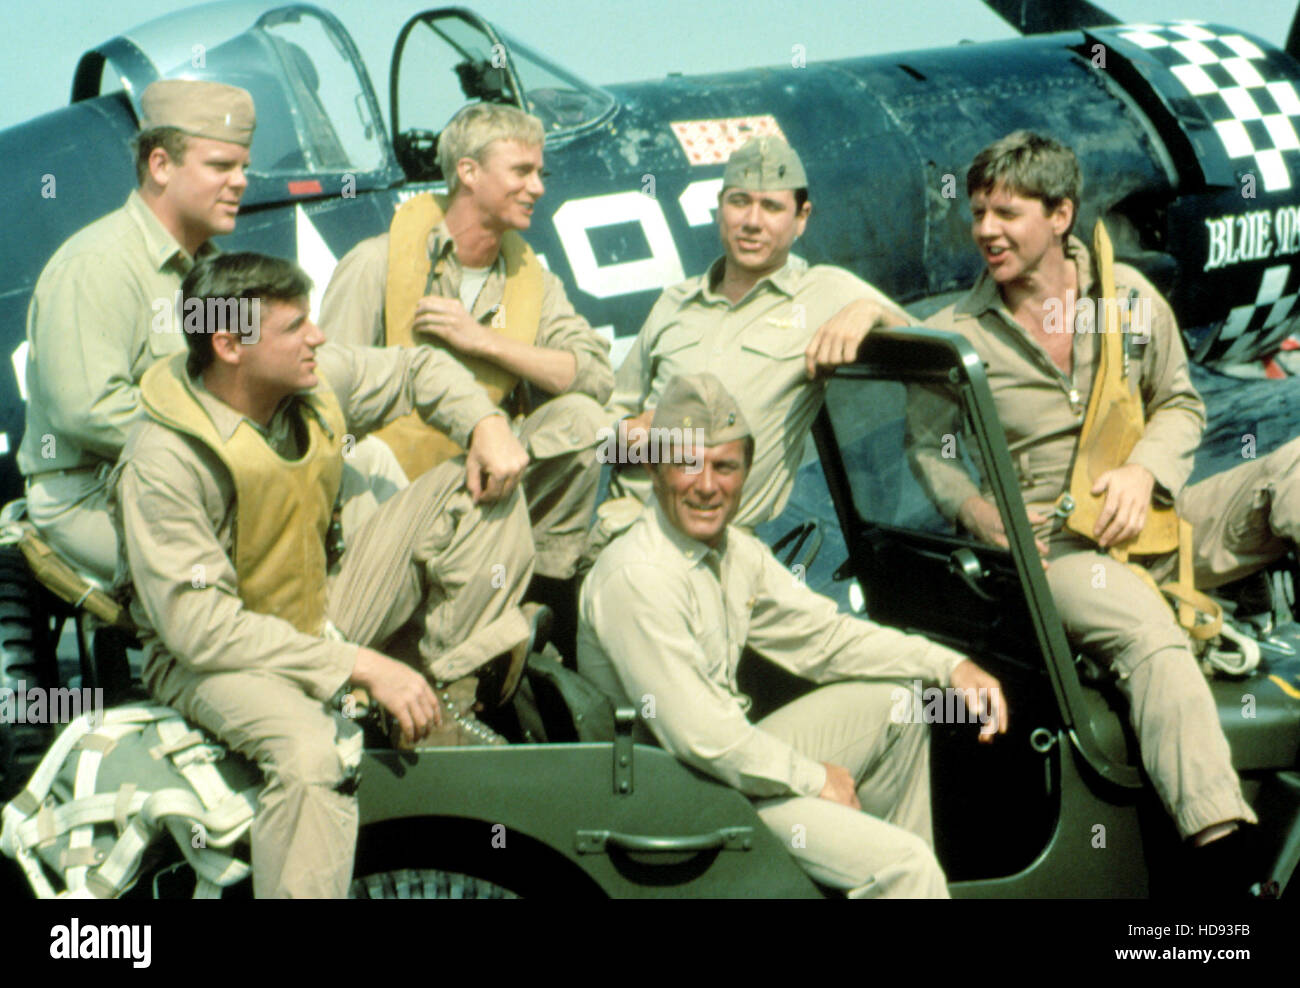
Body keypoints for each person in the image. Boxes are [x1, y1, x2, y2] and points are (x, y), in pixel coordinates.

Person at [910, 130, 1295, 894]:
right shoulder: (957, 334)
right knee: (1148, 633)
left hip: (1151, 517)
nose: (984, 229)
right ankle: (1221, 860)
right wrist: (980, 513)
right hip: (1056, 550)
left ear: (1060, 215)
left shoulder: (1126, 300)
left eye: (1007, 212)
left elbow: (1182, 404)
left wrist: (1143, 471)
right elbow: (932, 453)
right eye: (979, 212)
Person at [112, 252, 536, 897]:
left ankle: (440, 700)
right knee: (312, 756)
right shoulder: (164, 460)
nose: (318, 336)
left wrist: (487, 423)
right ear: (229, 344)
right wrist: (360, 666)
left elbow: (417, 368)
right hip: (216, 659)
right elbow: (199, 632)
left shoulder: (311, 383)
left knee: (479, 483)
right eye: (294, 327)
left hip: (320, 610)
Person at [578, 372, 1007, 898]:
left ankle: (887, 868)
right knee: (906, 866)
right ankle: (904, 877)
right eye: (686, 463)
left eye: (724, 466)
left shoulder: (733, 552)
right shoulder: (639, 574)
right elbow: (703, 738)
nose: (707, 485)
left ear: (746, 470)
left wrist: (947, 665)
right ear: (653, 467)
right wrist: (813, 778)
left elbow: (828, 639)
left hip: (716, 766)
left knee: (901, 705)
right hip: (678, 795)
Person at [320, 101, 613, 583]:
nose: (537, 187)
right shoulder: (375, 264)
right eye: (521, 171)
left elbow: (595, 377)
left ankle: (534, 588)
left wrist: (483, 341)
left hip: (487, 479)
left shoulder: (533, 281)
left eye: (540, 172)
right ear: (468, 172)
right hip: (385, 485)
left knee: (582, 418)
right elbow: (325, 399)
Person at [603, 135, 913, 541]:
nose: (752, 221)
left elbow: (943, 350)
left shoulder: (828, 293)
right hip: (626, 530)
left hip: (720, 544)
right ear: (719, 208)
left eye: (771, 207)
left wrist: (873, 311)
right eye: (739, 202)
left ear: (801, 218)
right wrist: (631, 438)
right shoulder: (673, 303)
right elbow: (604, 436)